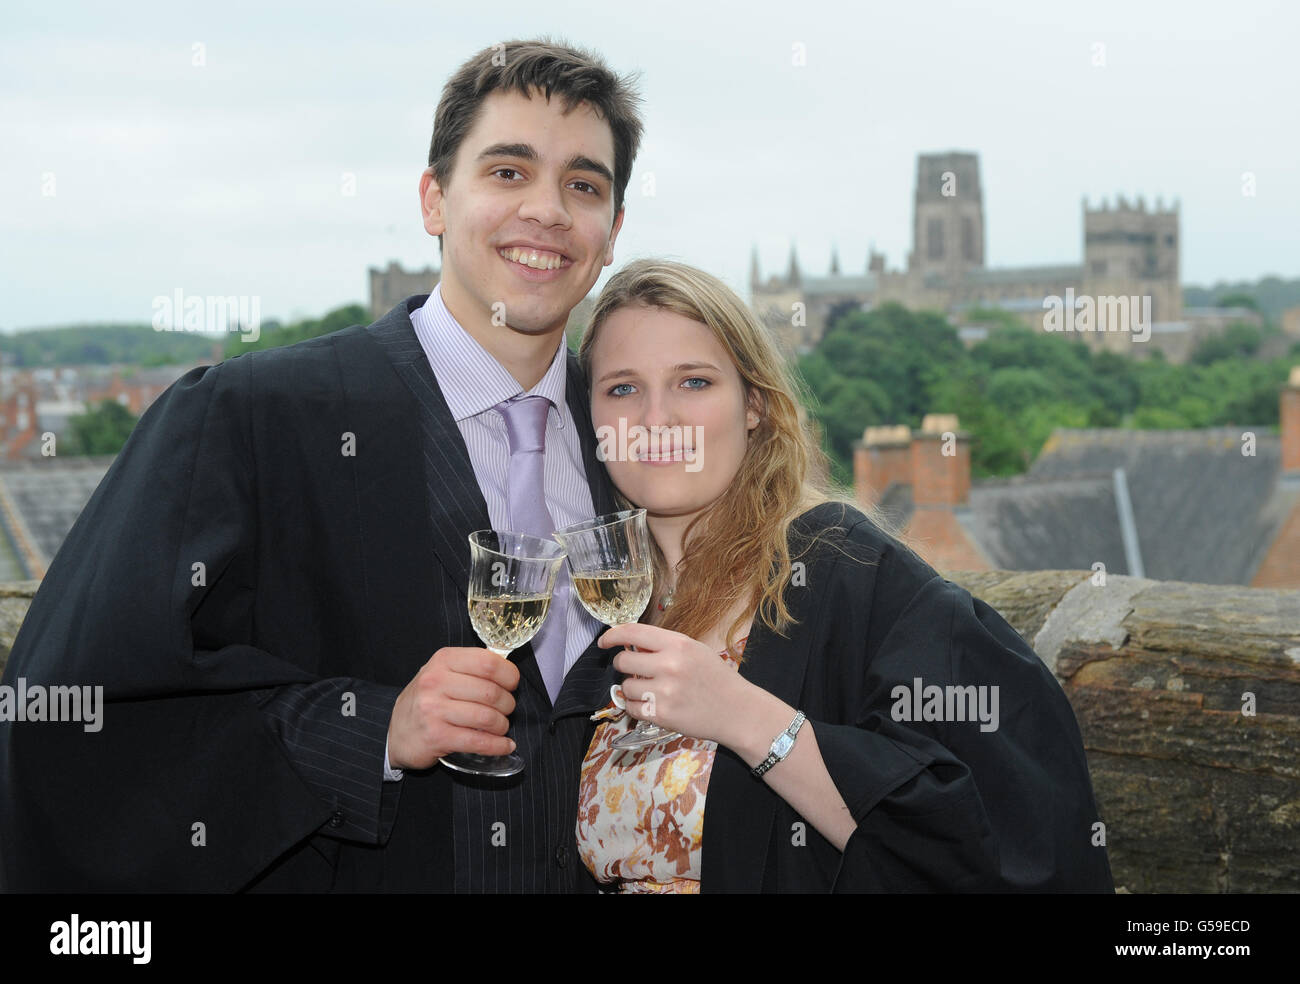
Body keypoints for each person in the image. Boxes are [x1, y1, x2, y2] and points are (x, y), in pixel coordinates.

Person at [0, 39, 643, 892]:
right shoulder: (247, 421)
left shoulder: (635, 445)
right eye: (507, 171)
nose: (549, 212)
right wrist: (372, 730)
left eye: (584, 186)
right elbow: (69, 714)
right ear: (434, 200)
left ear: (612, 235)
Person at [572, 259, 1116, 892]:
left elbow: (994, 832)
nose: (656, 419)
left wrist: (747, 718)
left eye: (693, 382)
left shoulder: (848, 574)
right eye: (621, 389)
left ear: (754, 405)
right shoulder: (610, 607)